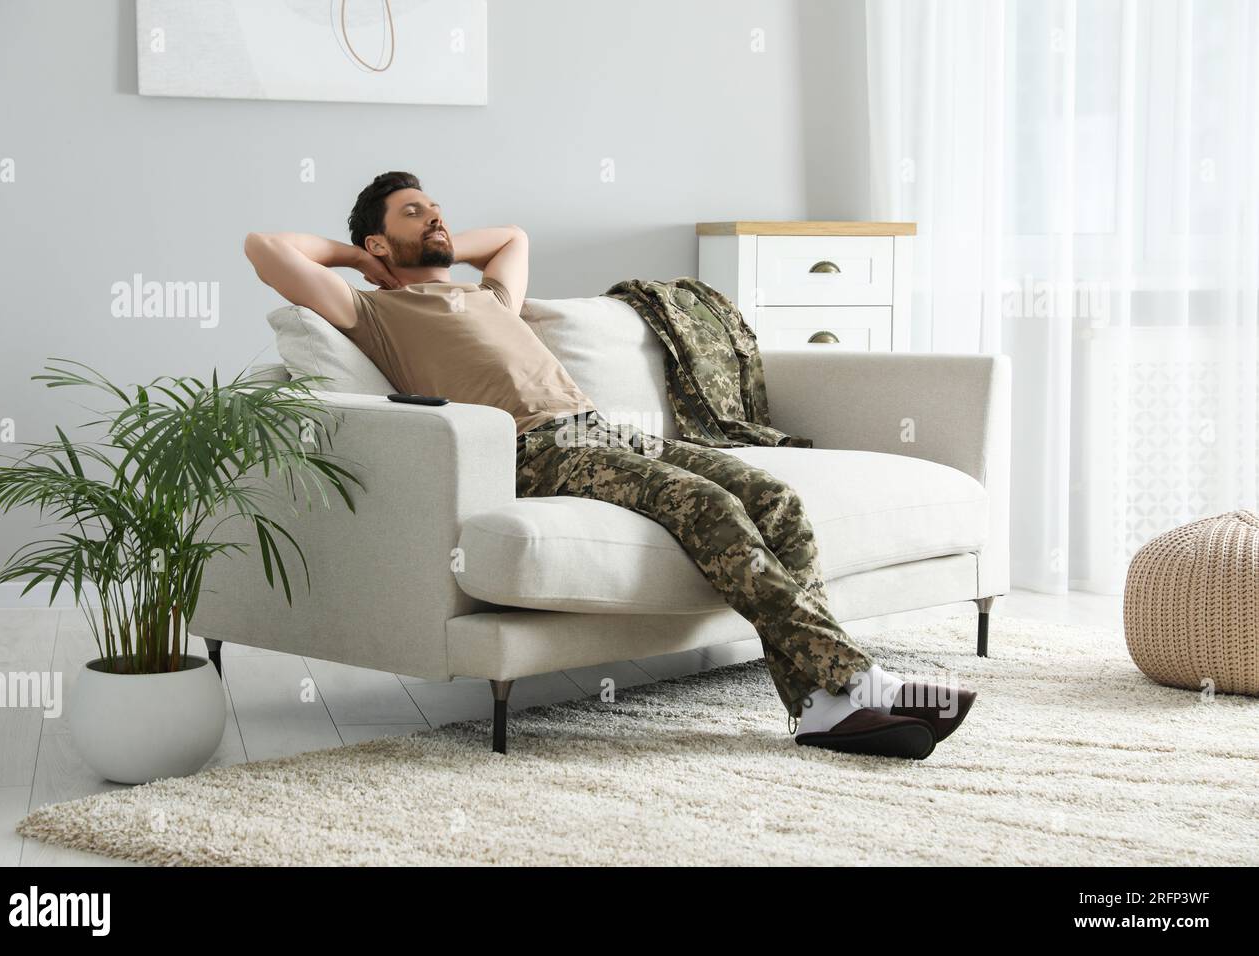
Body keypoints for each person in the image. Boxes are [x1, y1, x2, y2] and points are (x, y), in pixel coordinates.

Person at [244, 171, 975, 759]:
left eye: (438, 208)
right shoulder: (372, 313)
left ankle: (818, 705)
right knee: (709, 508)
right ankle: (853, 678)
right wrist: (359, 259)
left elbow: (512, 239)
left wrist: (440, 239)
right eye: (415, 212)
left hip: (603, 430)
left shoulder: (487, 295)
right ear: (378, 239)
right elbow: (264, 248)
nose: (436, 219)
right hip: (537, 448)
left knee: (774, 496)